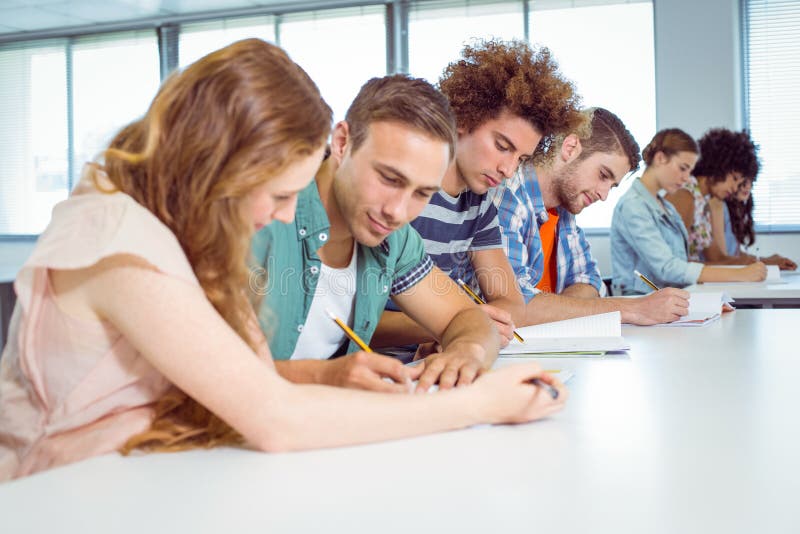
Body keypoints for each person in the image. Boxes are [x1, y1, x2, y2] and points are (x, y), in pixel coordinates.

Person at [0, 39, 566, 481]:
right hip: (55, 488)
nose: (288, 215)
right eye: (278, 194)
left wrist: (453, 357)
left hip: (158, 470)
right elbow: (273, 414)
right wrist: (480, 404)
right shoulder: (118, 236)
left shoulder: (187, 228)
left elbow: (245, 376)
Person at [251, 72, 545, 393]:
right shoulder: (262, 214)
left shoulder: (395, 239)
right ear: (342, 143)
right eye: (390, 179)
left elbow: (466, 317)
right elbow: (216, 368)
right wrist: (323, 376)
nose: (398, 212)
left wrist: (465, 353)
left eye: (422, 193)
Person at [372, 39, 583, 349]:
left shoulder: (479, 206)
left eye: (521, 158)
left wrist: (463, 325)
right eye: (502, 146)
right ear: (463, 119)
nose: (509, 169)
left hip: (442, 354)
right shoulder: (402, 195)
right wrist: (457, 324)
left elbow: (511, 303)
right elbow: (361, 322)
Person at [495, 108, 691, 325]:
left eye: (612, 186)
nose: (604, 195)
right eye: (603, 175)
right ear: (570, 148)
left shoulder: (565, 212)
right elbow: (516, 306)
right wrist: (632, 309)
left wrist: (555, 311)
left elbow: (590, 281)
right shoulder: (508, 198)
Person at [611, 128, 767, 294]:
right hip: (638, 300)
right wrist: (739, 274)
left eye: (689, 171)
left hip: (665, 297)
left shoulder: (666, 207)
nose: (686, 177)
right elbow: (667, 268)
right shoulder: (633, 206)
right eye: (683, 168)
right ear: (660, 158)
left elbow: (680, 263)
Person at [705, 133, 797, 270]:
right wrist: (765, 262)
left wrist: (767, 260)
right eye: (741, 180)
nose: (747, 186)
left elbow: (734, 255)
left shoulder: (733, 210)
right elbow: (722, 260)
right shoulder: (716, 204)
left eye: (751, 180)